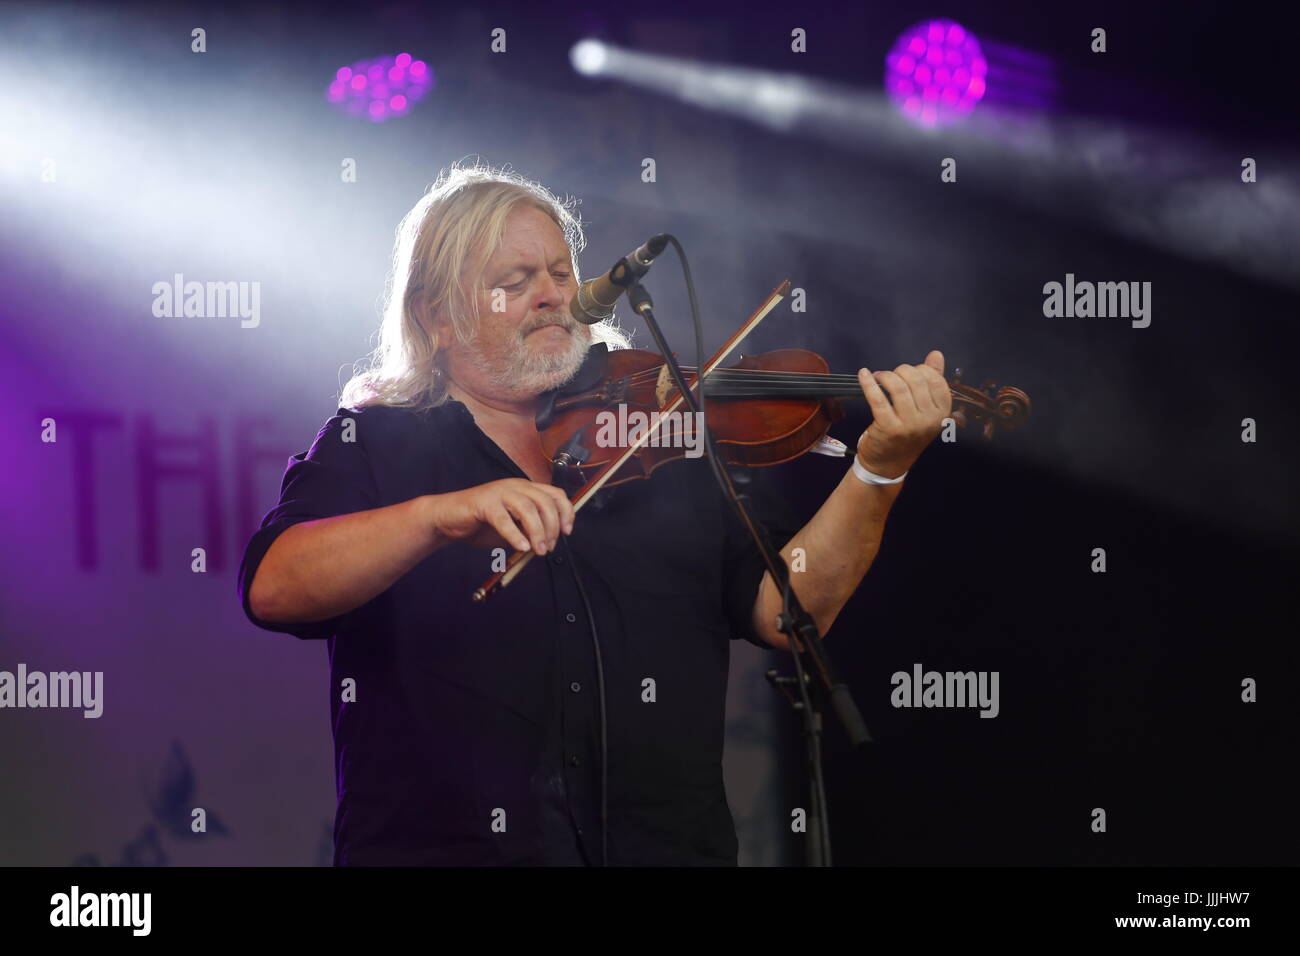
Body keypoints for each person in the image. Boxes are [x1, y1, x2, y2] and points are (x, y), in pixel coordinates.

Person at [237, 161, 951, 866]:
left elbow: (788, 608)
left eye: (559, 273)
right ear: (437, 317)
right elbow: (276, 587)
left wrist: (878, 468)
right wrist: (436, 517)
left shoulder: (661, 430)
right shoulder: (377, 440)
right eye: (513, 284)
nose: (551, 297)